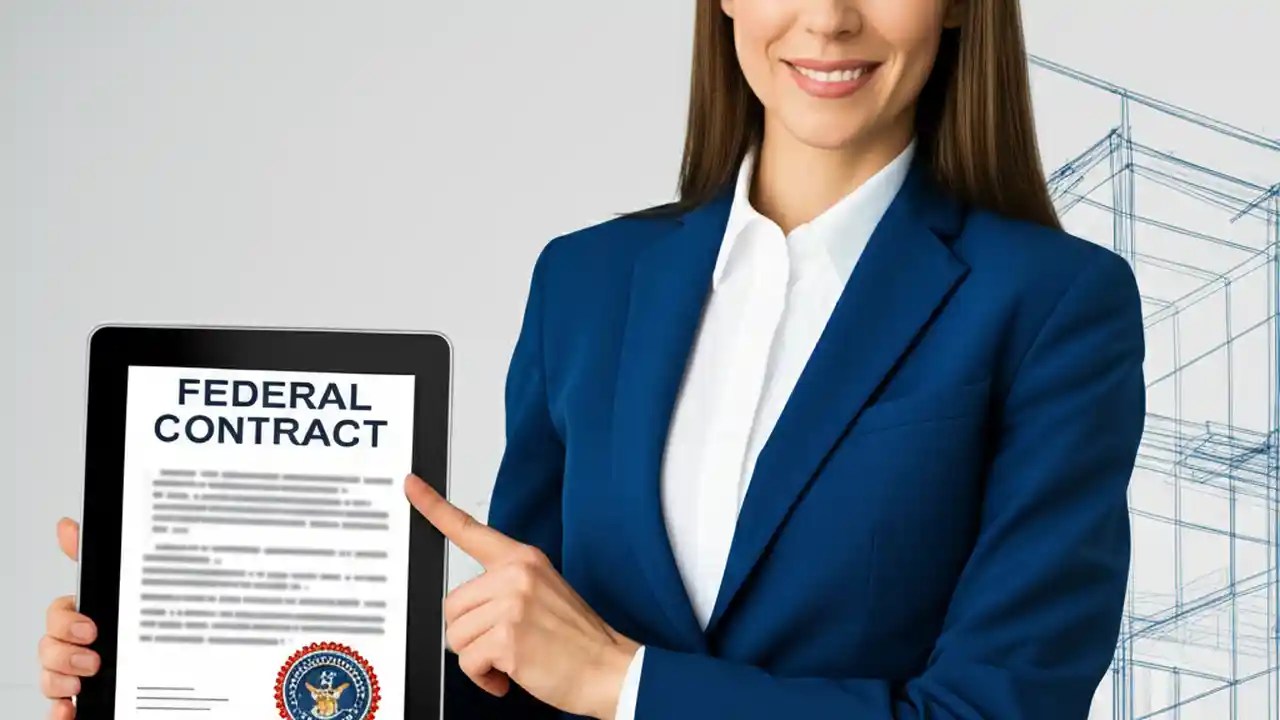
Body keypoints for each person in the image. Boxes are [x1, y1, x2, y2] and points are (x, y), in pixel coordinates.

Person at [38, 0, 1148, 718]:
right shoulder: (586, 281)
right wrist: (184, 664)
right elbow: (510, 680)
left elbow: (995, 715)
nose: (828, 16)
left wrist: (625, 683)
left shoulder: (1053, 306)